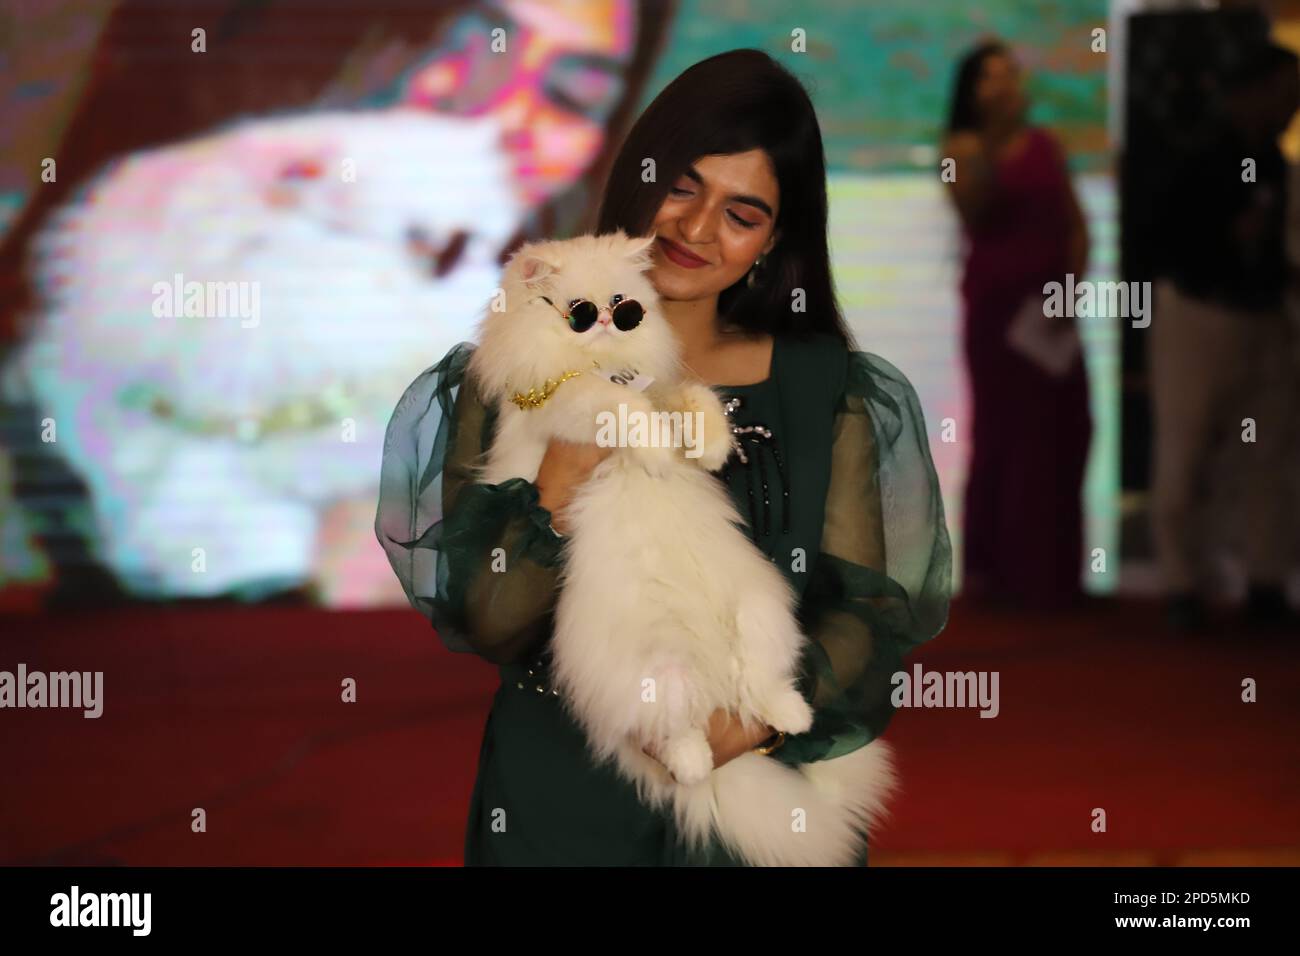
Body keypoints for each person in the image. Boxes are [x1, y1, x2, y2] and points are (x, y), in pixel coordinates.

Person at [376, 48, 951, 866]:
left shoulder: (824, 386)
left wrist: (746, 726)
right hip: (561, 799)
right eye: (682, 186)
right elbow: (490, 619)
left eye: (741, 213)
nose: (696, 228)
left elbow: (862, 613)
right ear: (637, 175)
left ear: (773, 240)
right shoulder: (513, 376)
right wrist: (560, 477)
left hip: (754, 797)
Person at [1150, 42, 1300, 631]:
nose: (1291, 106)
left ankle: (1264, 575)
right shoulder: (1196, 158)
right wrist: (1227, 243)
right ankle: (1181, 580)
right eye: (1284, 93)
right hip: (1200, 315)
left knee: (1269, 455)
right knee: (1185, 448)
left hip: (1264, 317)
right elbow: (1166, 241)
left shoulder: (1273, 163)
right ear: (1251, 92)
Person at [940, 40, 1093, 609]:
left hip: (1051, 309)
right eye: (991, 77)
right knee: (1006, 432)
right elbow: (974, 209)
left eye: (1011, 74)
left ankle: (1056, 575)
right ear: (971, 91)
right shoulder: (961, 149)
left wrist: (1069, 293)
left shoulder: (1047, 145)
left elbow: (1076, 225)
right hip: (997, 313)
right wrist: (990, 140)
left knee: (1066, 428)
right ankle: (998, 574)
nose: (1006, 84)